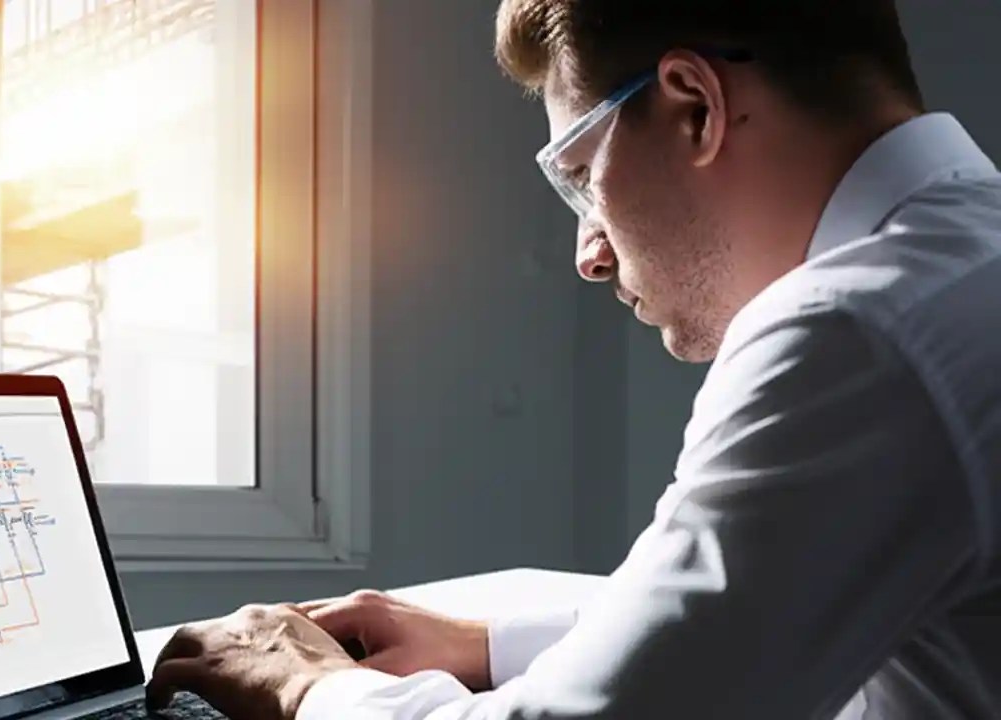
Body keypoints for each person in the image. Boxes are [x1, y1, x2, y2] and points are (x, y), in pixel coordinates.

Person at [147, 0, 1001, 717]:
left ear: (695, 108)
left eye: (582, 174)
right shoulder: (962, 266)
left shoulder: (854, 331)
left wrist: (306, 684)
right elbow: (788, 610)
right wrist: (493, 646)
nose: (588, 254)